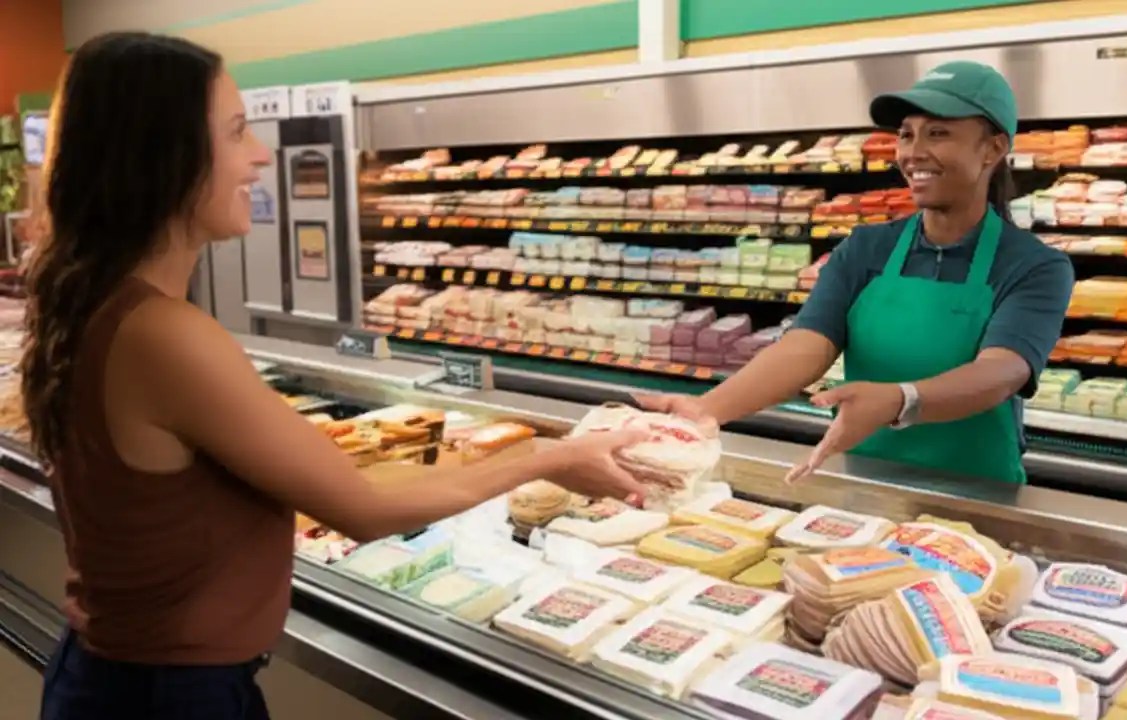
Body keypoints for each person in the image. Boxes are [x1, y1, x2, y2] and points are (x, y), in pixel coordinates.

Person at [23, 33, 646, 719]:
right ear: (161, 155)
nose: (260, 154)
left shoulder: (103, 306)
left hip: (122, 678)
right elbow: (365, 509)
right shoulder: (163, 335)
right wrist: (552, 458)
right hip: (167, 698)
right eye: (235, 131)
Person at [642, 61, 1073, 485]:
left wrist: (901, 399)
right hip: (866, 484)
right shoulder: (866, 248)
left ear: (993, 149)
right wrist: (708, 409)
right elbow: (807, 345)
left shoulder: (1034, 265)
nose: (913, 152)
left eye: (938, 133)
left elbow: (1001, 371)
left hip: (979, 494)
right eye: (906, 135)